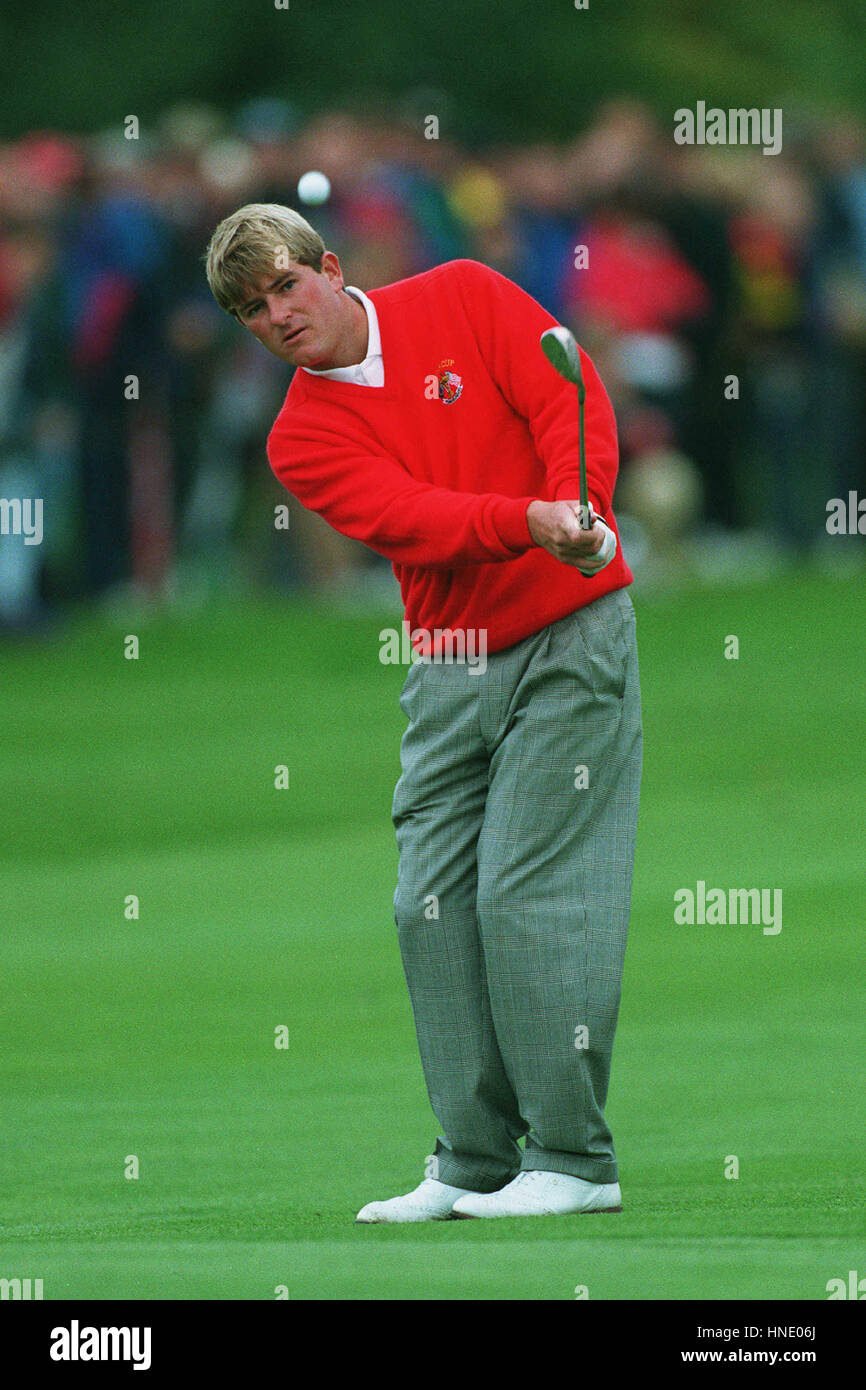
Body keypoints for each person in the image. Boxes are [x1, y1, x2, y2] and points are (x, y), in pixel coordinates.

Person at [205, 204, 642, 1221]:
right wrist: (527, 521)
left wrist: (578, 505)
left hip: (570, 627)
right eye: (251, 309)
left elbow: (561, 399)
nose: (276, 316)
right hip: (446, 658)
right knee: (426, 903)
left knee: (523, 894)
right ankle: (474, 1159)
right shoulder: (299, 435)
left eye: (284, 288)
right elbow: (409, 518)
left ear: (328, 268)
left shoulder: (462, 293)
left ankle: (574, 1161)